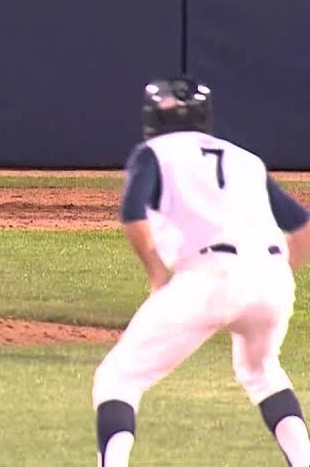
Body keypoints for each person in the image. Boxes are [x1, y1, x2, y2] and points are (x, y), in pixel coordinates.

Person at [92, 77, 310, 467]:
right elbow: (303, 227)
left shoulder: (153, 152)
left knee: (118, 379)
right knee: (262, 371)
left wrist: (158, 273)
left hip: (209, 276)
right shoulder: (244, 158)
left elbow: (132, 214)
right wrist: (280, 275)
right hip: (271, 278)